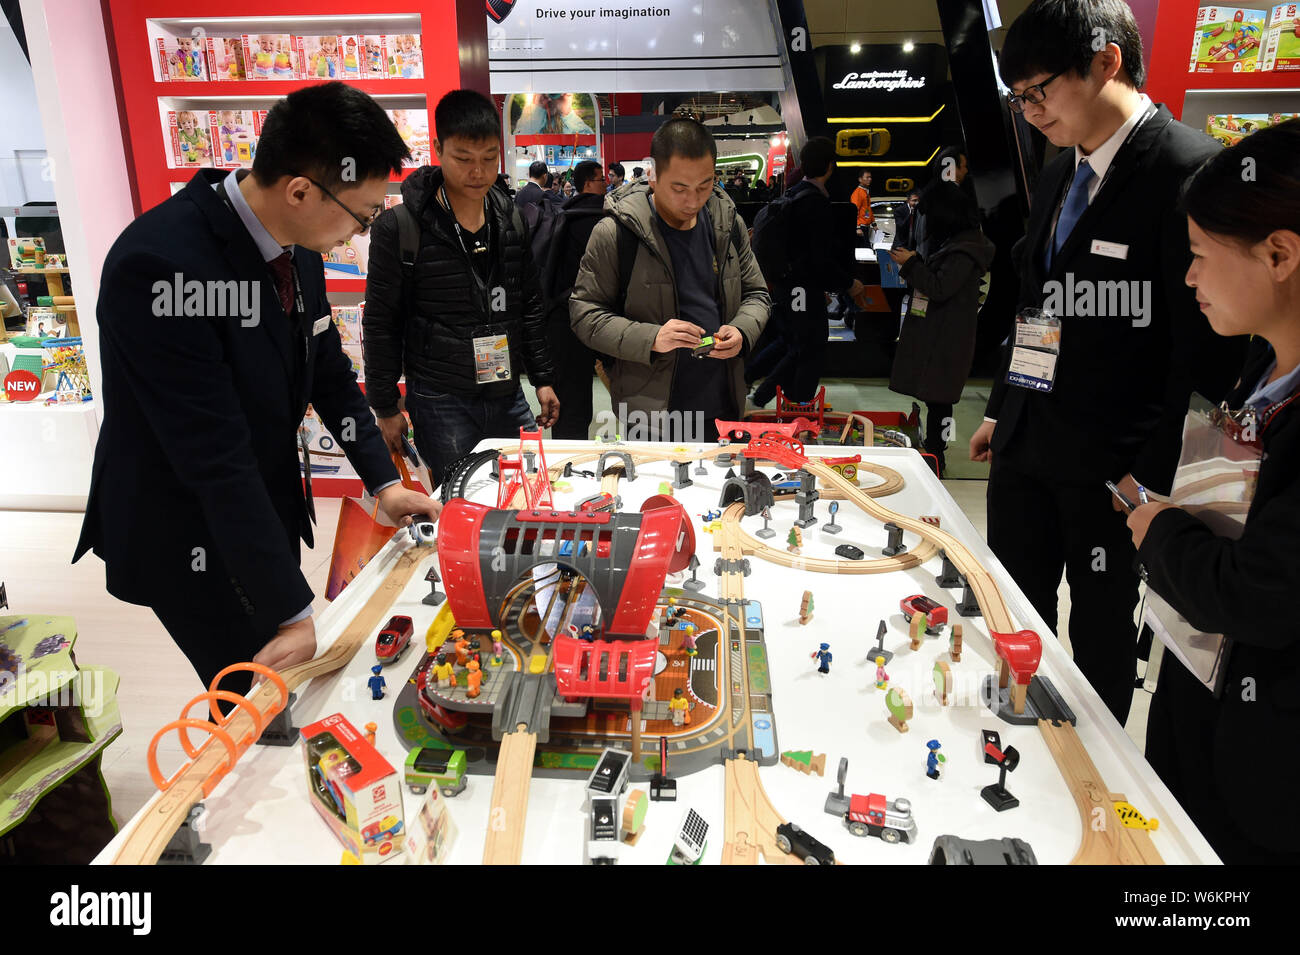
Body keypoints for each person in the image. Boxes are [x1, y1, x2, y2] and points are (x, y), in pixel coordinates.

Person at [73, 83, 440, 701]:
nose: (362, 233)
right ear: (300, 189)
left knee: (284, 679)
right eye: (364, 216)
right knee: (256, 694)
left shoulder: (296, 241)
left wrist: (385, 483)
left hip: (251, 506)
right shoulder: (161, 266)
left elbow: (326, 368)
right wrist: (292, 610)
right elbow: (211, 456)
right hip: (184, 528)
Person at [967, 0, 1244, 723]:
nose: (1028, 111)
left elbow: (1203, 355)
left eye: (1039, 91)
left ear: (1105, 62)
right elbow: (1037, 301)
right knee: (1012, 613)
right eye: (1017, 97)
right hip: (1028, 450)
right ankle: (1012, 758)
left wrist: (1148, 477)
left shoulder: (1188, 170)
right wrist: (1006, 404)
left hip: (1114, 474)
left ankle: (1094, 786)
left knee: (1100, 642)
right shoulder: (1061, 175)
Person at [1127, 119, 1300, 864]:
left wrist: (1160, 534)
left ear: (1281, 252)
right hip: (1205, 708)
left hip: (1264, 779)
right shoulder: (1260, 367)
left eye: (1200, 256)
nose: (1189, 278)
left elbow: (1267, 593)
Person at [363, 89, 559, 486]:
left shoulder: (512, 220)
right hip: (440, 398)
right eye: (464, 159)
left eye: (489, 158)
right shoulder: (401, 228)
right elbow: (382, 321)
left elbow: (530, 304)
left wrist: (542, 377)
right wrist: (384, 405)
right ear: (437, 148)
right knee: (458, 502)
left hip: (505, 389)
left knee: (527, 492)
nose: (478, 172)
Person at [570, 117, 770, 442]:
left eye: (704, 186)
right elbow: (585, 314)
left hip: (723, 404)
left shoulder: (727, 223)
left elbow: (757, 294)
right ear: (652, 175)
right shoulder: (616, 233)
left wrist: (742, 330)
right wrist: (652, 338)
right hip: (650, 415)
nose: (693, 201)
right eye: (679, 188)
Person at [748, 136, 866, 407]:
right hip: (801, 286)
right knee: (809, 346)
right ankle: (787, 401)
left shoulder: (792, 195)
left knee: (794, 342)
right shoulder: (815, 203)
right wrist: (847, 283)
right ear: (829, 166)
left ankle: (761, 389)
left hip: (785, 285)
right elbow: (818, 258)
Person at [888, 182, 994, 476]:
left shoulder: (965, 249)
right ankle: (934, 454)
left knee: (940, 400)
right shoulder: (959, 242)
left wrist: (911, 265)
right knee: (937, 398)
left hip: (947, 336)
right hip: (942, 332)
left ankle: (936, 458)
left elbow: (940, 287)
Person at [543, 159, 609, 439]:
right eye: (601, 180)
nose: (606, 184)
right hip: (600, 316)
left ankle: (567, 459)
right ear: (588, 184)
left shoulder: (563, 213)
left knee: (570, 400)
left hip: (562, 316)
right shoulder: (601, 219)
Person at [850, 169, 875, 241]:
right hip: (860, 228)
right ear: (860, 179)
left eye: (870, 177)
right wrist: (857, 228)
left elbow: (868, 209)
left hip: (866, 226)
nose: (869, 179)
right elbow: (854, 211)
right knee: (864, 250)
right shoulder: (857, 193)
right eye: (867, 177)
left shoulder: (865, 192)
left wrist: (874, 224)